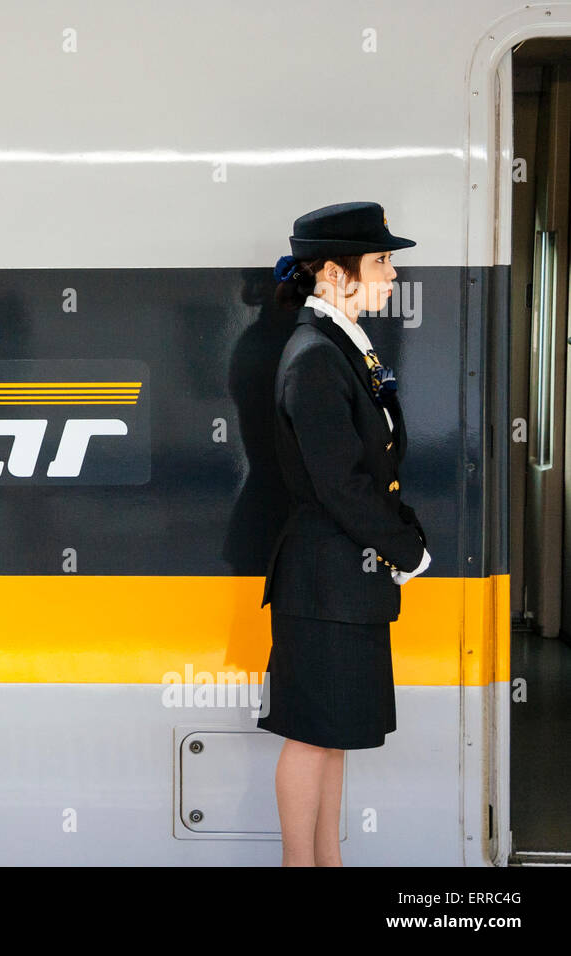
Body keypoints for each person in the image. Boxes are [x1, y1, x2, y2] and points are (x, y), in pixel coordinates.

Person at [258, 201, 430, 866]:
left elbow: (369, 467)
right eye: (381, 260)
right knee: (310, 736)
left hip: (341, 579)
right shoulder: (315, 358)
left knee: (329, 737)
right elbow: (341, 483)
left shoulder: (344, 346)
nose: (391, 274)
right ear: (333, 271)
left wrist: (398, 537)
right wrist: (405, 547)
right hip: (323, 580)